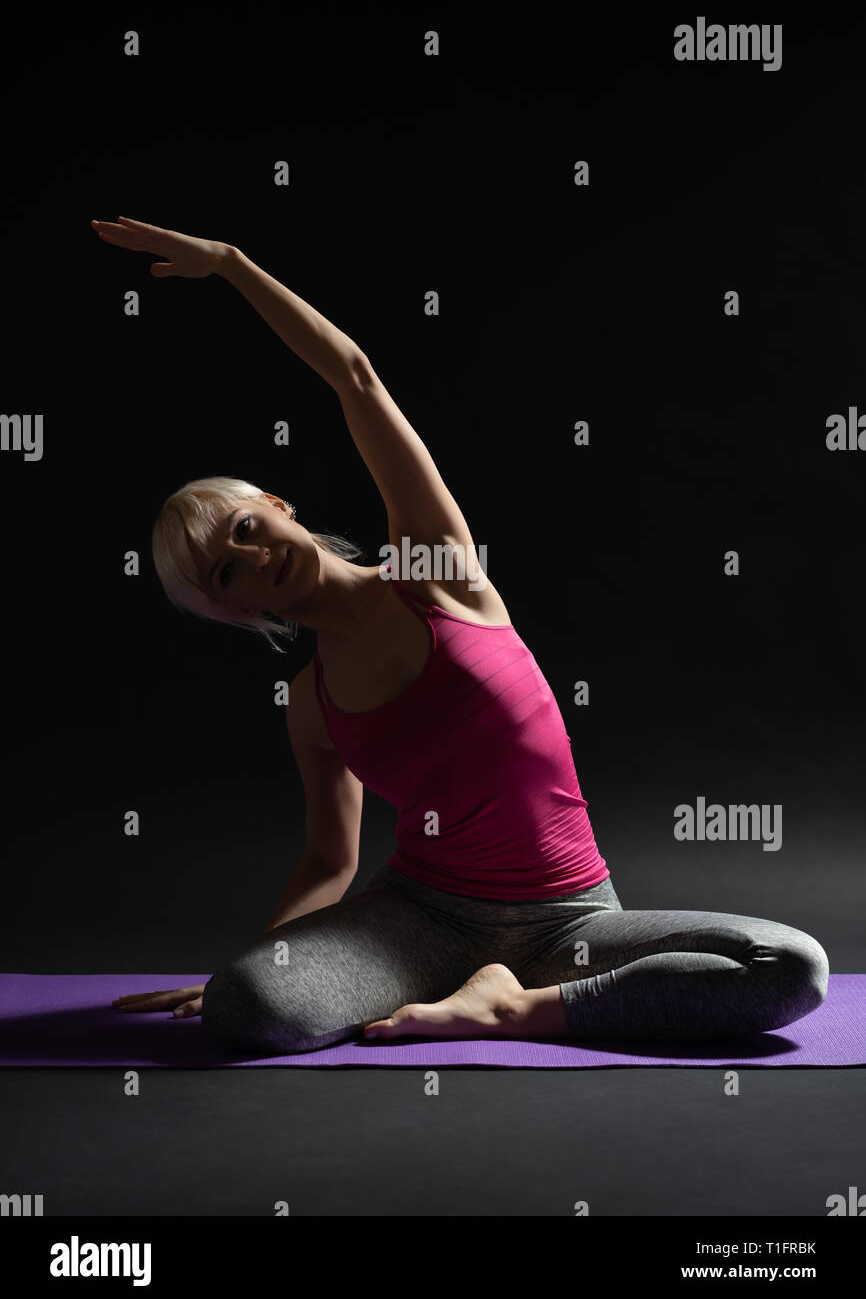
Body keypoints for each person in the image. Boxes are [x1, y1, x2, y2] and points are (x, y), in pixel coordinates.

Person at [97, 215, 830, 1055]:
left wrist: (232, 265)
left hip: (572, 918)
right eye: (225, 573)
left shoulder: (431, 571)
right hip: (419, 918)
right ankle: (486, 991)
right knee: (245, 1010)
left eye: (244, 529)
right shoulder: (311, 703)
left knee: (791, 968)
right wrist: (254, 962)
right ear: (227, 608)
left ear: (279, 506)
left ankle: (510, 1006)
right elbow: (328, 863)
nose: (254, 561)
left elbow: (356, 379)